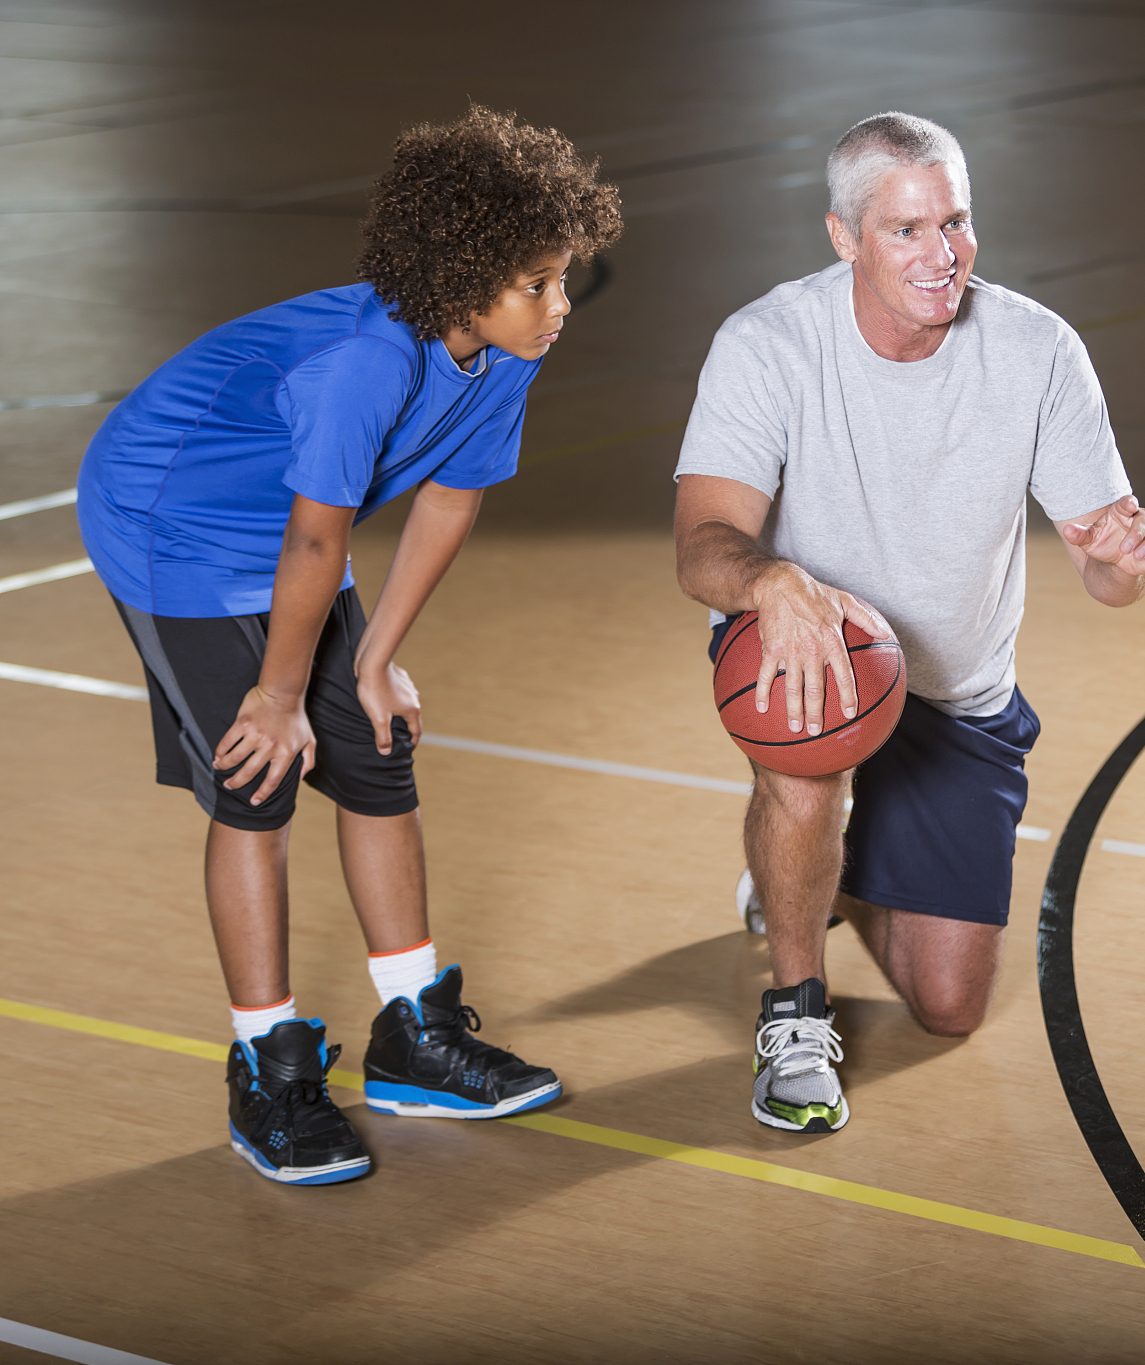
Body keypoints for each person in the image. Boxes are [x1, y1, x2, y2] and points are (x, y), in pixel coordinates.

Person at [76, 107, 623, 1185]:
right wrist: (280, 697)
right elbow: (317, 534)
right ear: (464, 278)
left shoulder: (503, 347)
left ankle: (413, 1040)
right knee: (260, 777)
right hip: (171, 518)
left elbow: (447, 505)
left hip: (282, 529)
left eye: (563, 278)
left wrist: (374, 660)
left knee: (377, 749)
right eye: (538, 284)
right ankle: (266, 1066)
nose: (561, 305)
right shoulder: (362, 365)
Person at [672, 111, 1145, 1136]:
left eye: (956, 222)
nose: (942, 255)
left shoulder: (1036, 351)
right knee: (801, 758)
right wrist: (771, 581)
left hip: (960, 688)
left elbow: (1103, 577)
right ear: (844, 237)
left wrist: (1120, 567)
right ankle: (796, 1010)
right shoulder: (767, 344)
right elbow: (702, 547)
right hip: (813, 643)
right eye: (906, 230)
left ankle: (807, 868)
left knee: (946, 1006)